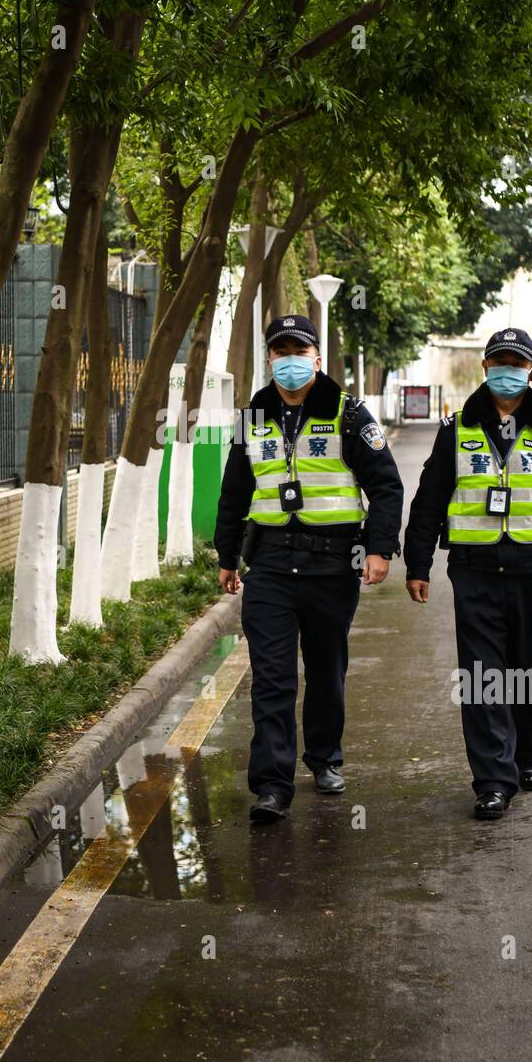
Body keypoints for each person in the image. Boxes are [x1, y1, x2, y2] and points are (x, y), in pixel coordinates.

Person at [404, 328, 532, 820]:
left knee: (530, 670)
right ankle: (493, 780)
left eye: (519, 363)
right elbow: (430, 498)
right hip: (475, 571)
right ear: (485, 367)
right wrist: (418, 563)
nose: (507, 371)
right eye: (500, 362)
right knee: (482, 677)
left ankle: (527, 756)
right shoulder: (458, 427)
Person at [215, 314, 404, 823]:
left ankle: (323, 759)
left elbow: (385, 485)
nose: (291, 360)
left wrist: (381, 549)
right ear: (270, 359)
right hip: (271, 565)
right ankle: (273, 786)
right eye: (281, 351)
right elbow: (234, 491)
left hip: (331, 565)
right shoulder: (251, 418)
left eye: (300, 351)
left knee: (325, 672)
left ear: (316, 359)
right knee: (272, 676)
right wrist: (226, 557)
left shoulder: (349, 412)